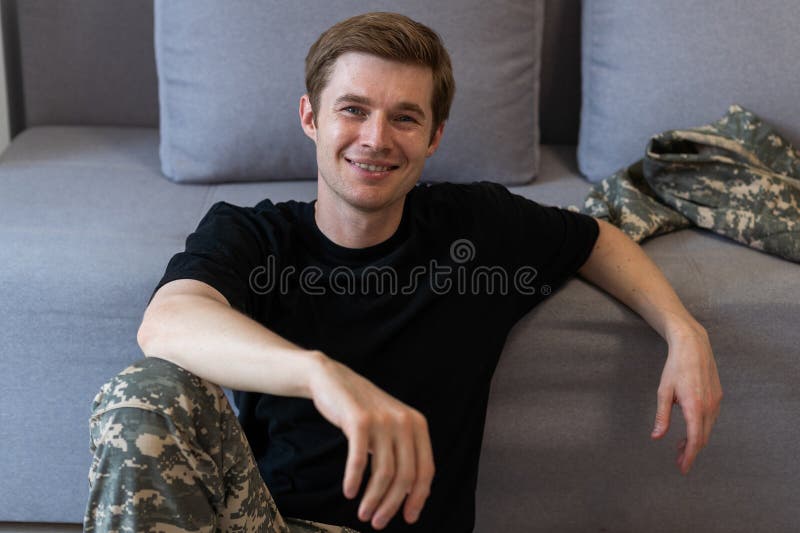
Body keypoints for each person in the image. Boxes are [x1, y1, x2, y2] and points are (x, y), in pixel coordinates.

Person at [84, 12, 722, 533]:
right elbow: (167, 323)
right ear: (310, 117)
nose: (376, 138)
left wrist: (683, 331)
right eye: (353, 109)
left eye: (405, 117)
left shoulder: (476, 228)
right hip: (272, 522)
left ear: (434, 135)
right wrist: (321, 374)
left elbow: (596, 239)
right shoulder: (254, 235)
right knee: (144, 393)